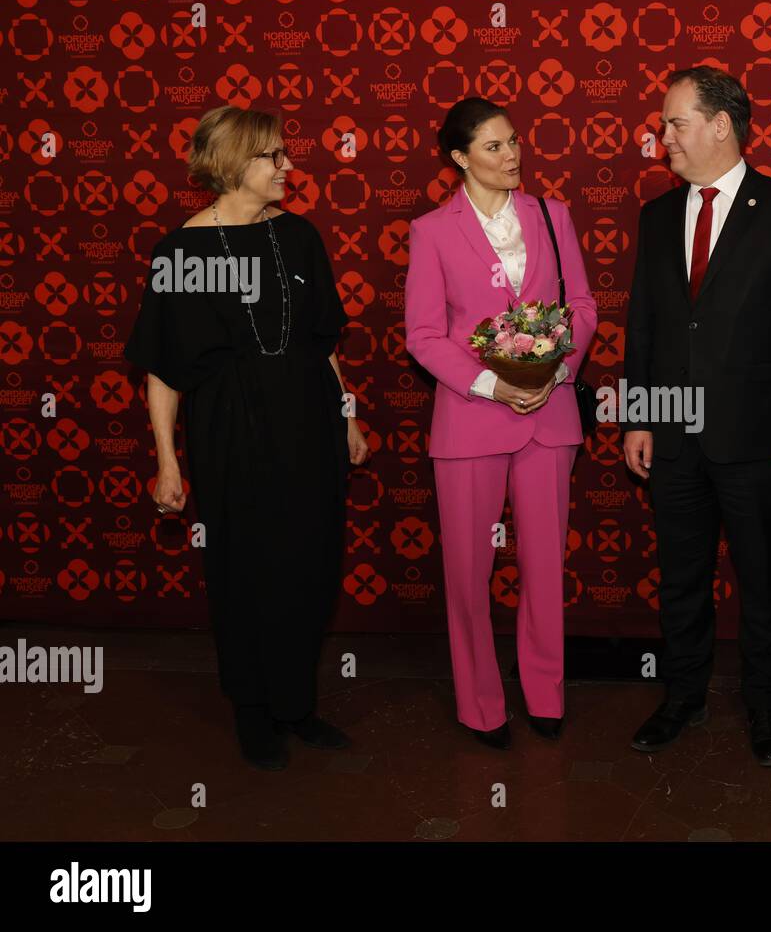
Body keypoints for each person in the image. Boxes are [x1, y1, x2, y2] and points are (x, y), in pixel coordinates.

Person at [124, 105, 370, 771]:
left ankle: (296, 703)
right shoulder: (181, 252)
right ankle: (253, 710)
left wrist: (346, 415)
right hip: (229, 430)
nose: (287, 165)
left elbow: (324, 343)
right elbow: (164, 370)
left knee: (311, 566)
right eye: (273, 156)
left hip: (310, 423)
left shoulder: (299, 237)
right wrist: (167, 463)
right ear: (233, 163)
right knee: (245, 571)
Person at [621, 67, 771, 767]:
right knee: (681, 575)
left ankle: (766, 707)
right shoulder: (656, 216)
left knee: (765, 579)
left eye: (675, 123)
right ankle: (682, 697)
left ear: (721, 125)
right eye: (663, 125)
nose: (663, 138)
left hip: (757, 442)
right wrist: (639, 416)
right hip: (675, 439)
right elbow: (647, 326)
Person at [405, 97, 597, 750]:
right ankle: (481, 703)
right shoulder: (432, 231)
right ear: (459, 157)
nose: (511, 154)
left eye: (513, 141)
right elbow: (425, 336)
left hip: (550, 417)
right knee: (467, 569)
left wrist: (554, 373)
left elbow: (583, 306)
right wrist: (494, 383)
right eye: (493, 146)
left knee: (544, 566)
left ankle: (545, 694)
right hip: (469, 421)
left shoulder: (554, 215)